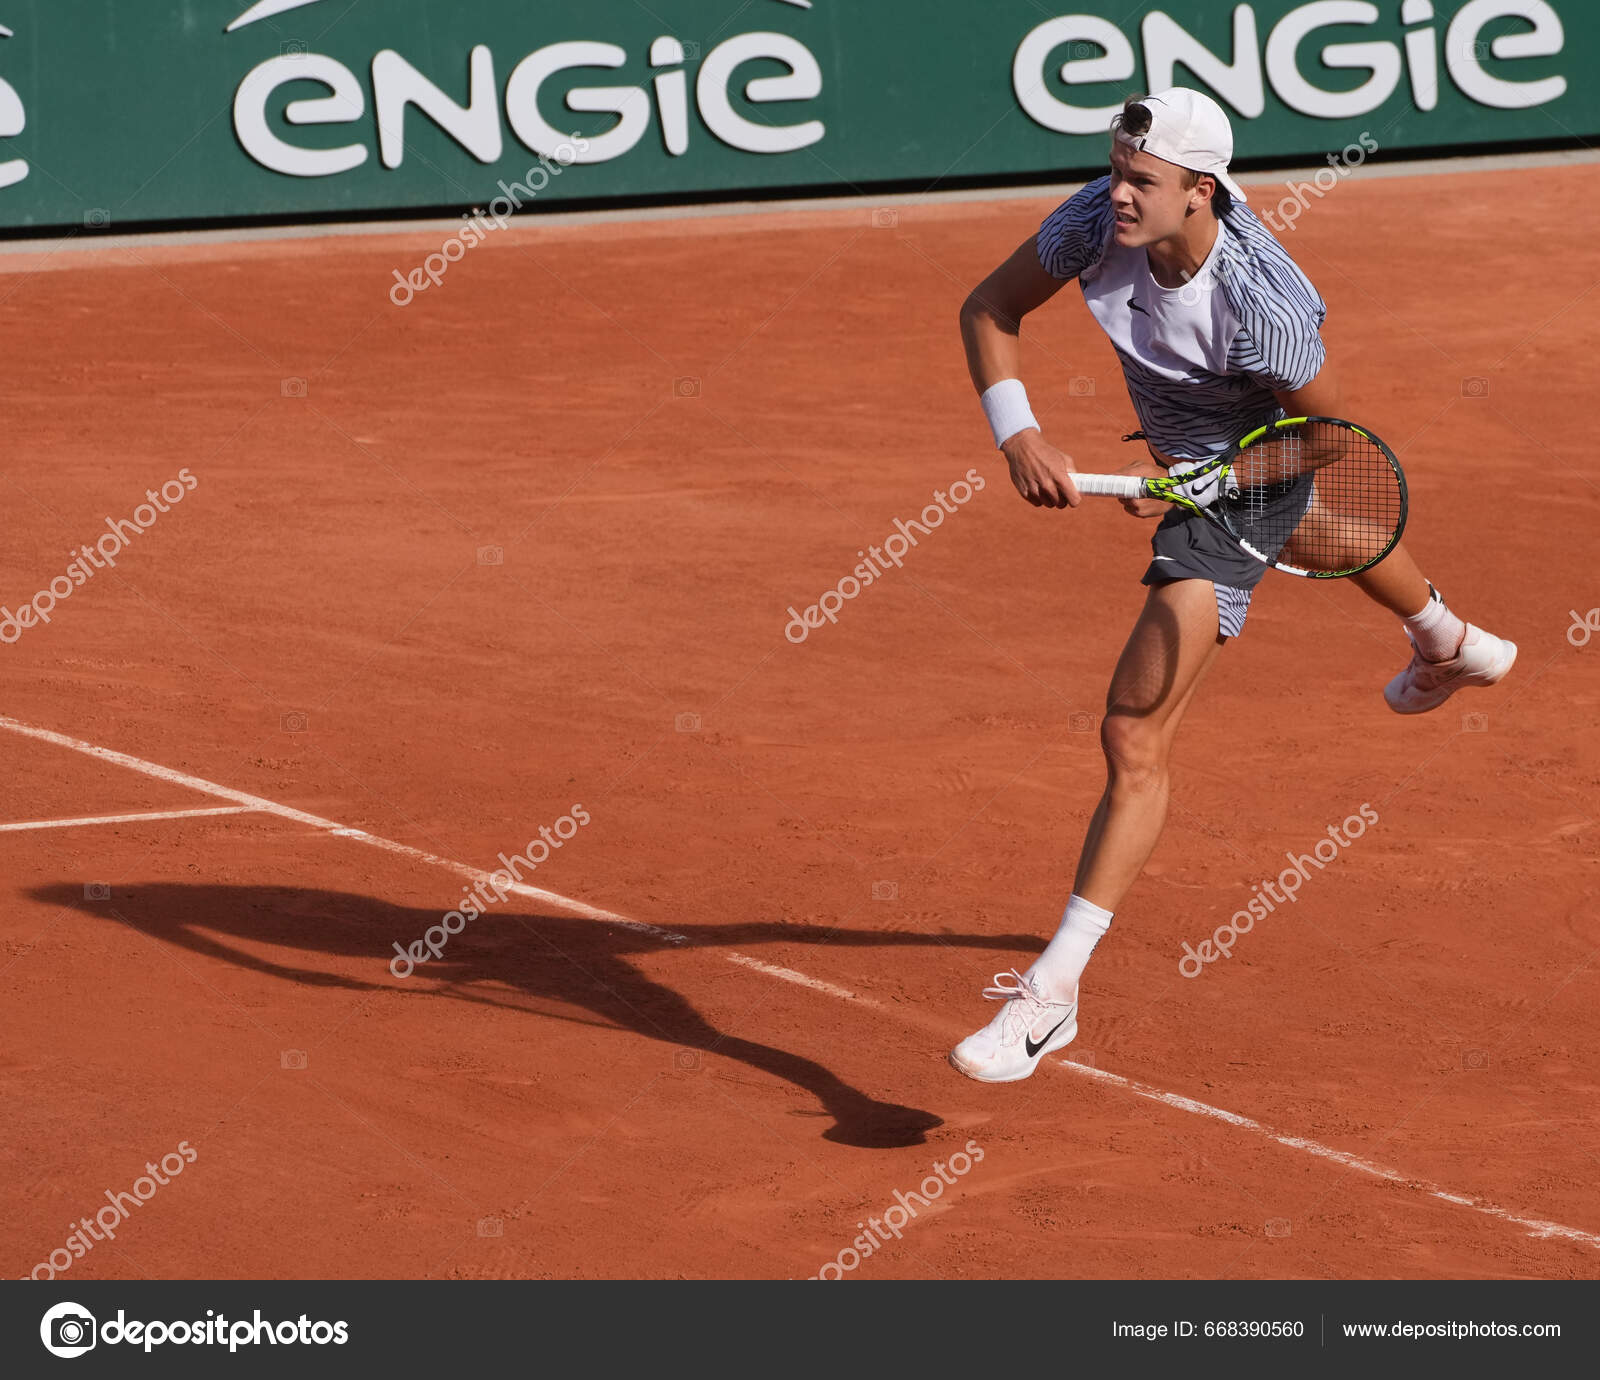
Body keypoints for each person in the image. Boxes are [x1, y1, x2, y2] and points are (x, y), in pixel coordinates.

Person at [949, 87, 1515, 1084]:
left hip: (1252, 466)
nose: (1116, 193)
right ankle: (1446, 640)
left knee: (1133, 732)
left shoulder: (1263, 310)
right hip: (1198, 460)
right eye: (1117, 170)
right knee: (1304, 533)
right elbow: (988, 309)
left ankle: (1052, 996)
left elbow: (1332, 441)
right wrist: (1018, 432)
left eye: (1141, 181)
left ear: (1200, 191)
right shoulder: (1094, 222)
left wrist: (1214, 482)